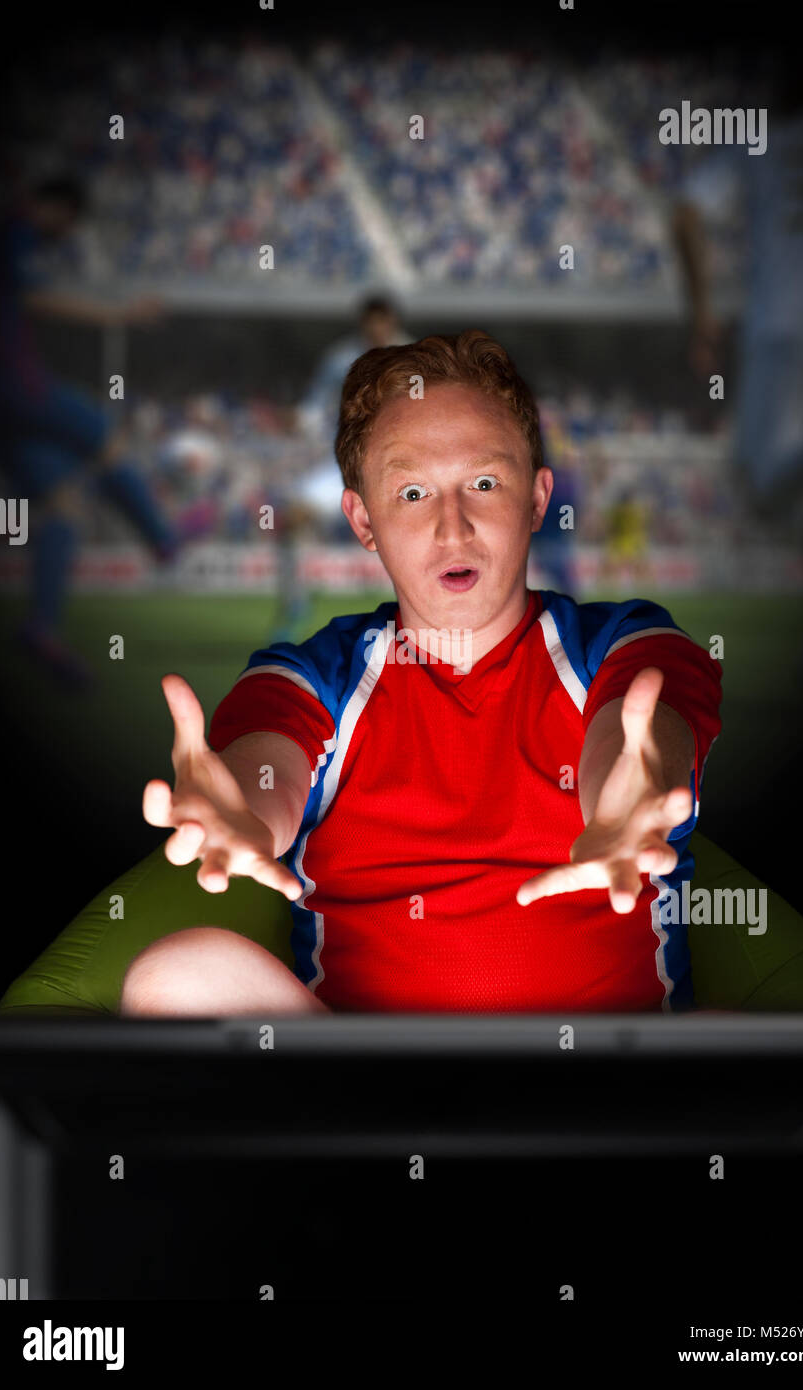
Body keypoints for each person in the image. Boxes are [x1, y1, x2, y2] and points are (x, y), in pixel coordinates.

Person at [120, 330, 722, 1018]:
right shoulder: (315, 677)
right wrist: (239, 813)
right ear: (362, 519)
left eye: (485, 484)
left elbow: (638, 734)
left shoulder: (623, 644)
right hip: (375, 1092)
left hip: (595, 1090)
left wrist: (630, 791)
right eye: (411, 493)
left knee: (754, 1050)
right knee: (174, 978)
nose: (452, 527)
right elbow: (268, 770)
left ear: (536, 499)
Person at [671, 54, 803, 693]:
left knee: (759, 484)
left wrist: (701, 317)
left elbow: (686, 213)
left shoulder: (761, 143)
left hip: (783, 331)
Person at [0, 174, 179, 688]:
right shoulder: (12, 229)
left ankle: (41, 629)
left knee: (63, 505)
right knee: (106, 439)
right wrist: (120, 314)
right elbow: (32, 298)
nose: (63, 236)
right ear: (55, 207)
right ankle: (164, 542)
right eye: (67, 223)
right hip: (14, 384)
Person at [272, 293, 411, 641]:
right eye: (372, 319)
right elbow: (317, 405)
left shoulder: (417, 357)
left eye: (383, 319)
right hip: (348, 465)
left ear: (392, 321)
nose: (378, 326)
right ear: (364, 322)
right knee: (291, 520)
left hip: (402, 468)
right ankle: (295, 605)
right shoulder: (341, 359)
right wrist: (297, 419)